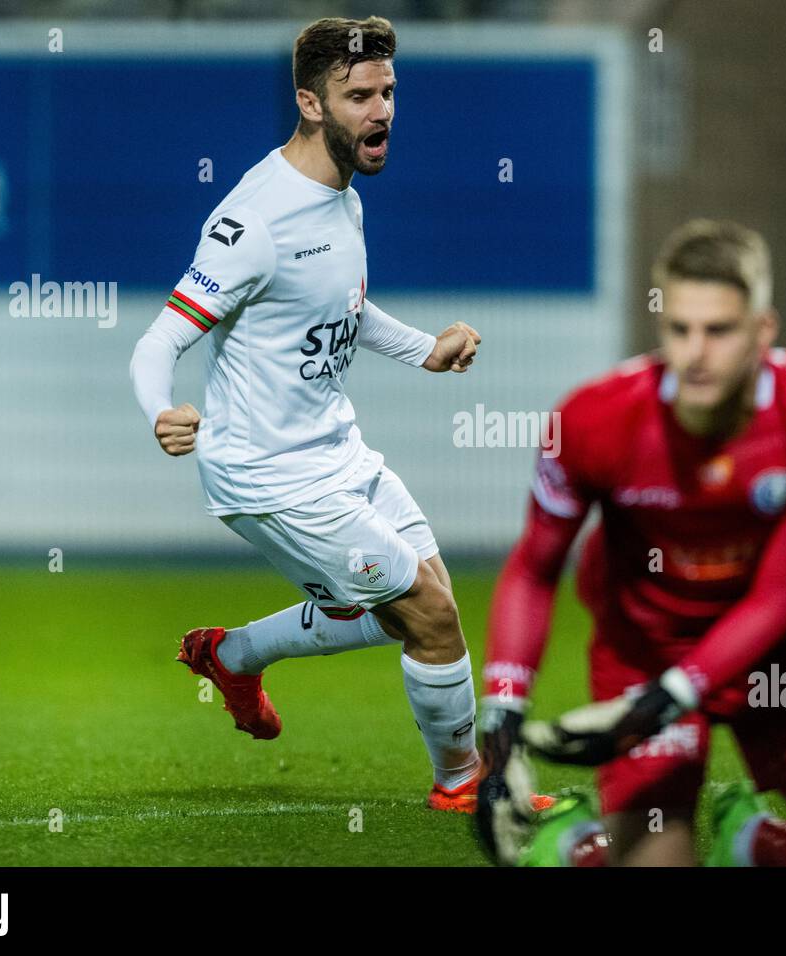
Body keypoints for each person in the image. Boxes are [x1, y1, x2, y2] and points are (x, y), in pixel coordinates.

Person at [130, 16, 540, 815]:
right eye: (359, 96)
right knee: (428, 614)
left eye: (388, 92)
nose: (381, 110)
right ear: (311, 103)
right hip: (266, 473)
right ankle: (465, 786)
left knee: (423, 606)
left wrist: (423, 348)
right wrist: (162, 412)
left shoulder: (340, 195)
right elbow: (159, 340)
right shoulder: (255, 221)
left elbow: (340, 302)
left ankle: (235, 655)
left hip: (334, 450)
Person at [476, 219, 786, 866]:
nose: (695, 353)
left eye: (719, 330)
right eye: (679, 329)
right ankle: (575, 848)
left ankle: (755, 843)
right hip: (645, 651)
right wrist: (503, 720)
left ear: (763, 330)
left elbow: (781, 592)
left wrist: (671, 698)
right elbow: (535, 569)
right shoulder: (593, 421)